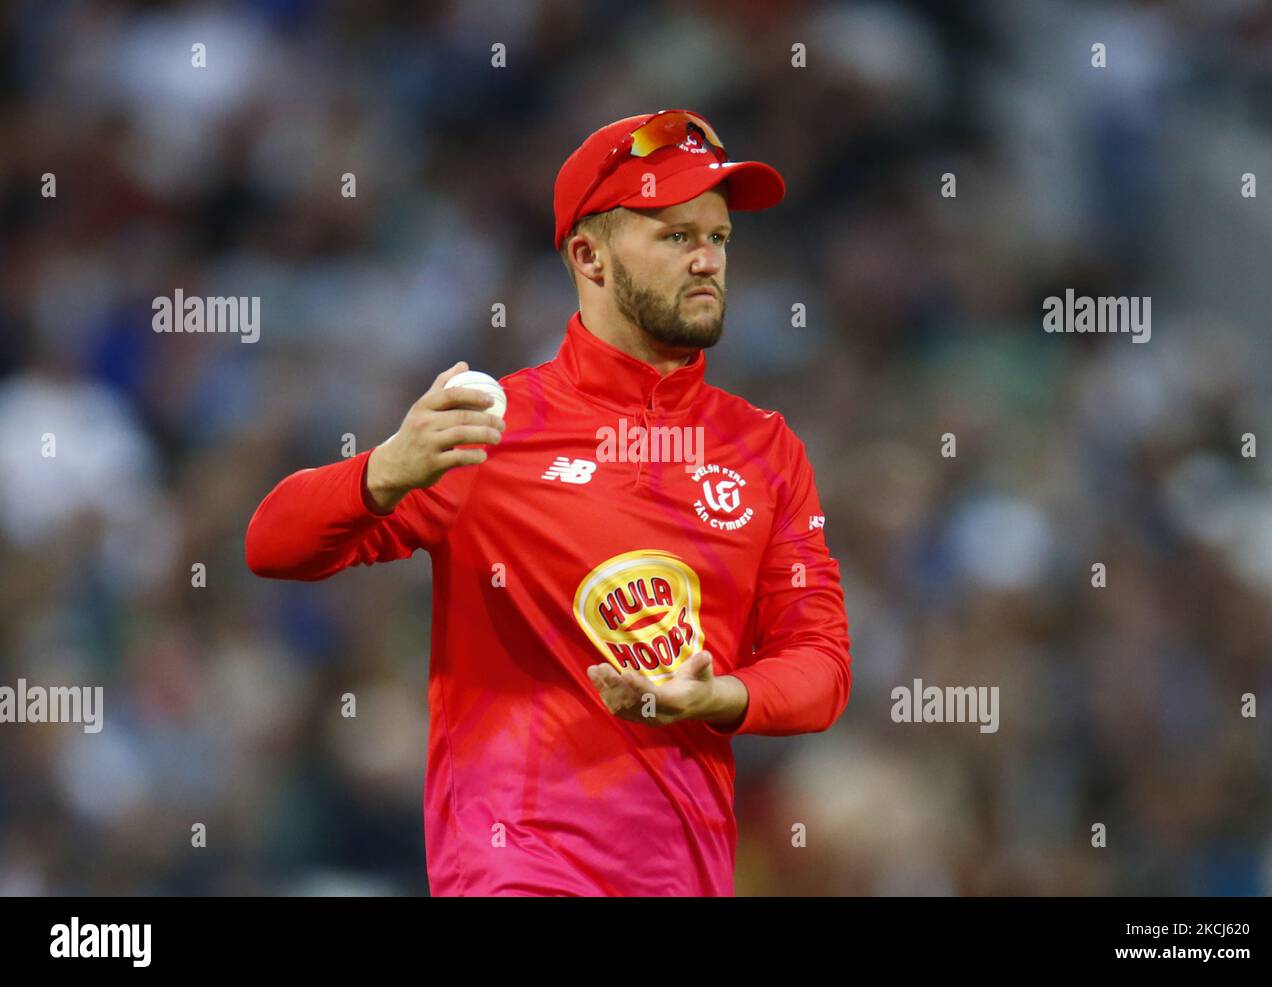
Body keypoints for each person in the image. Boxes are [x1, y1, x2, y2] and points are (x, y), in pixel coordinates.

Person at [245, 109, 852, 896]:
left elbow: (822, 665)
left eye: (719, 238)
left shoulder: (765, 448)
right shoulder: (489, 429)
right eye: (675, 237)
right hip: (517, 871)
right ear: (588, 256)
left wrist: (720, 695)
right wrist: (382, 471)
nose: (707, 260)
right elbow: (272, 545)